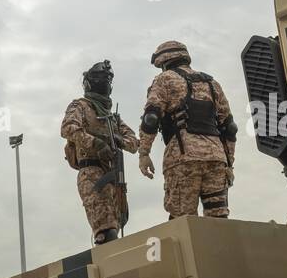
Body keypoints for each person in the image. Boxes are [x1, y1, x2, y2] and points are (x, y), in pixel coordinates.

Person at [136, 40, 237, 219]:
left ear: (164, 62)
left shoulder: (165, 79)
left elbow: (151, 118)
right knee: (218, 219)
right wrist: (229, 163)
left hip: (183, 158)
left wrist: (144, 153)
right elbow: (229, 127)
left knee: (183, 220)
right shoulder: (212, 83)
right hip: (216, 158)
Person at [60, 60, 139, 244]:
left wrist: (118, 140)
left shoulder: (113, 117)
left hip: (112, 176)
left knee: (117, 226)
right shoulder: (80, 106)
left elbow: (134, 143)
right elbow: (68, 128)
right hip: (92, 174)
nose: (106, 84)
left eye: (107, 80)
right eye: (101, 79)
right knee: (106, 232)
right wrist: (96, 143)